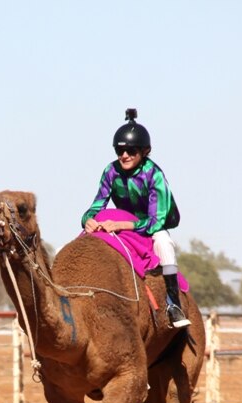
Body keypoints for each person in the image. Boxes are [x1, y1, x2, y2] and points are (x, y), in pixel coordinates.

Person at [81, 108, 189, 328]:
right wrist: (88, 220)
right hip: (122, 224)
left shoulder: (154, 174)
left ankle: (172, 303)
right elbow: (96, 204)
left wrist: (122, 224)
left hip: (149, 226)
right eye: (120, 151)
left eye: (131, 151)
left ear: (145, 151)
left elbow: (155, 221)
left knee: (165, 242)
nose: (124, 156)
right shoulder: (110, 172)